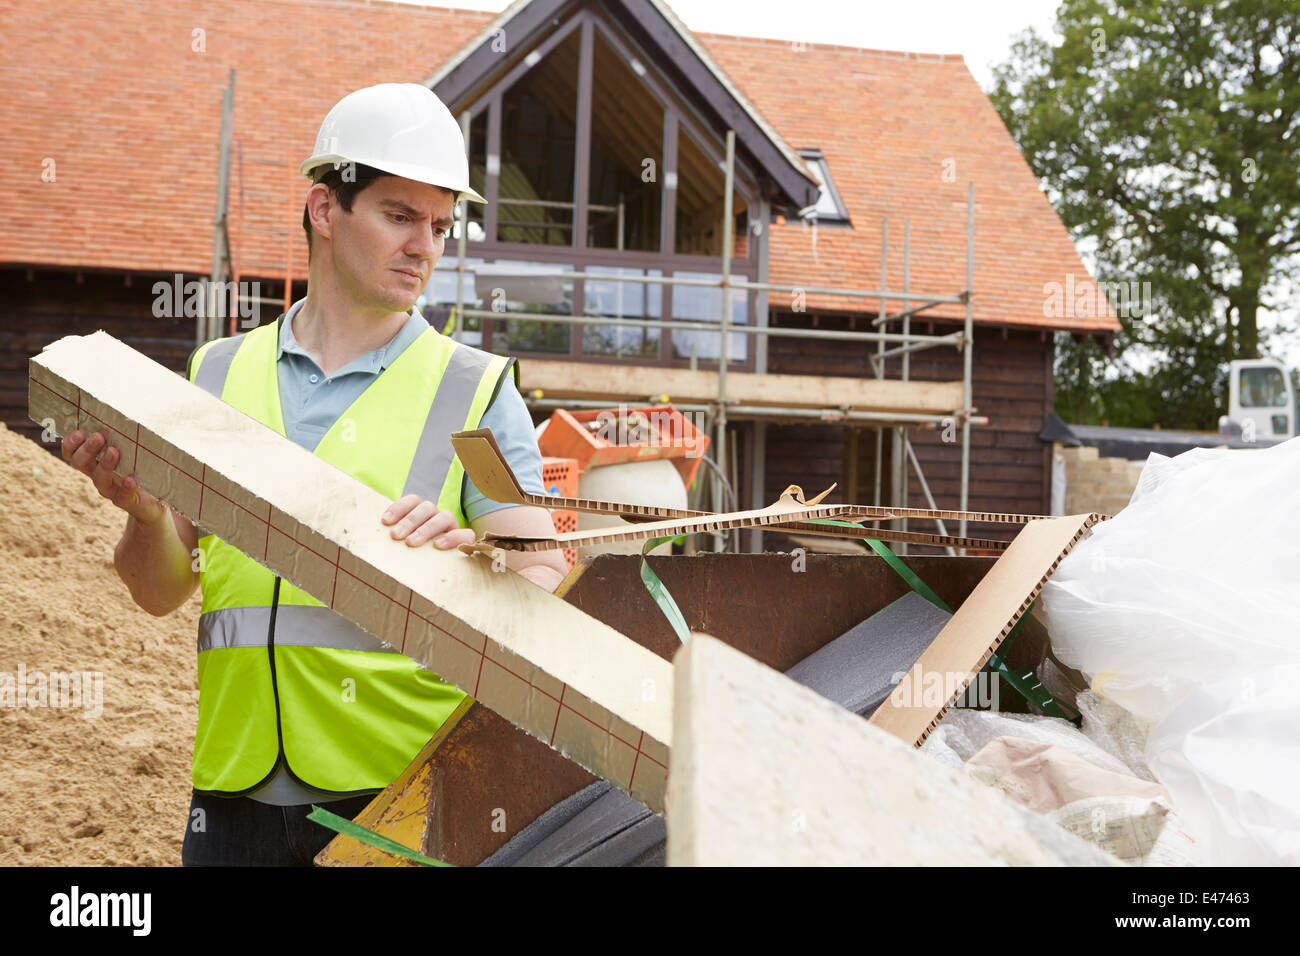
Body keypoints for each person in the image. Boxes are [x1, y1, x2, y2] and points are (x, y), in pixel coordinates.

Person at [60, 83, 567, 866]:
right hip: (231, 799)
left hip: (397, 795)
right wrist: (146, 513)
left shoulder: (472, 390)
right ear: (326, 210)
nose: (425, 247)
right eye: (400, 216)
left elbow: (544, 580)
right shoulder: (218, 371)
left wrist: (469, 549)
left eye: (439, 225)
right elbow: (159, 592)